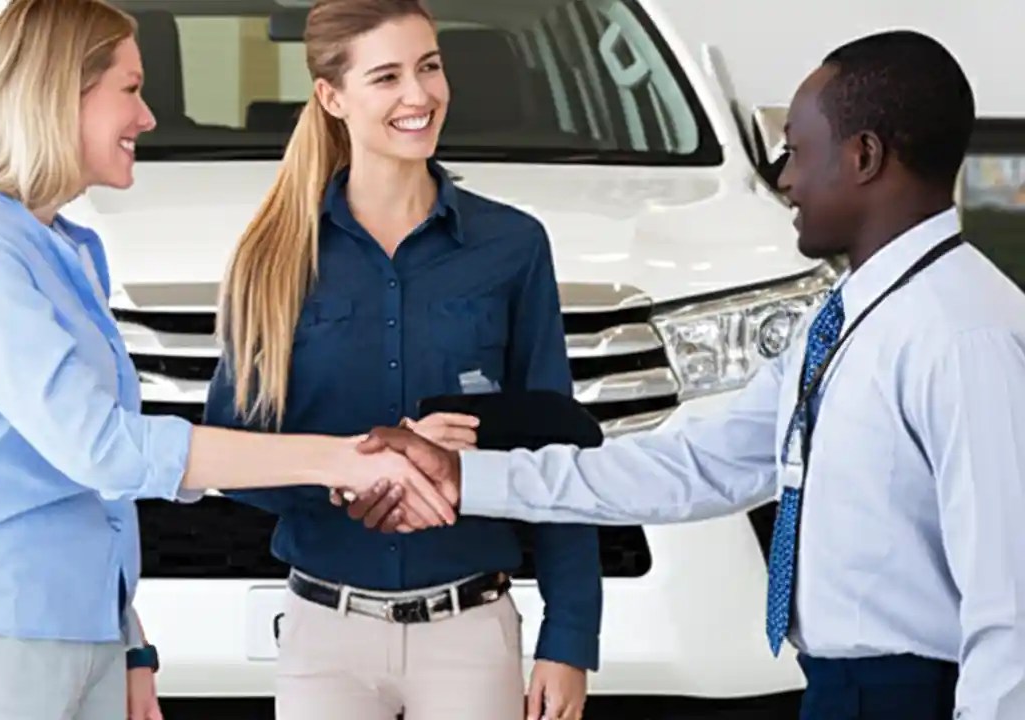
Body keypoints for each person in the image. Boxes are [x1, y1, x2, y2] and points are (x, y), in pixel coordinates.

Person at [360, 30, 1025, 720]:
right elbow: (696, 466)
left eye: (797, 152)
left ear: (863, 157)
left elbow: (1012, 602)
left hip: (918, 695)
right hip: (841, 689)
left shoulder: (965, 335)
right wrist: (464, 477)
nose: (785, 179)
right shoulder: (844, 319)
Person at [0, 2, 453, 719]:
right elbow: (101, 447)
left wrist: (128, 644)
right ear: (58, 93)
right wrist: (339, 460)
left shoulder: (71, 250)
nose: (146, 118)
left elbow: (92, 496)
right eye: (132, 89)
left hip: (83, 635)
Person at [202, 1, 601, 718]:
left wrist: (568, 637)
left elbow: (558, 447)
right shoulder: (274, 255)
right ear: (332, 97)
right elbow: (229, 453)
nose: (419, 95)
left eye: (429, 67)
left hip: (470, 631)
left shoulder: (513, 246)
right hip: (324, 637)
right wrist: (349, 474)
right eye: (386, 77)